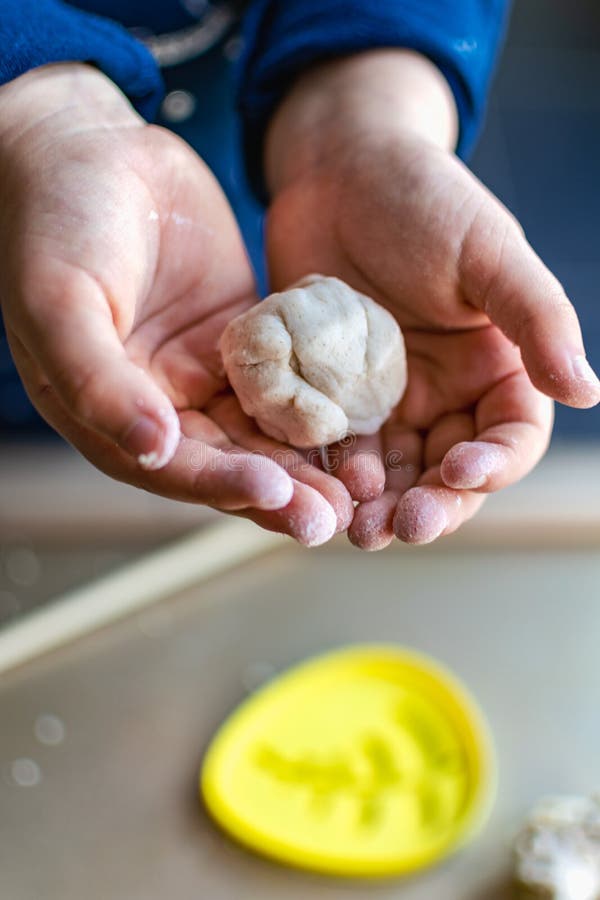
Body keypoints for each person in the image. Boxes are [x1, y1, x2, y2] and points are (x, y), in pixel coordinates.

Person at [0, 1, 598, 551]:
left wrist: (363, 99)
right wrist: (35, 110)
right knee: (78, 390)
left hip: (231, 230)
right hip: (58, 207)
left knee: (130, 416)